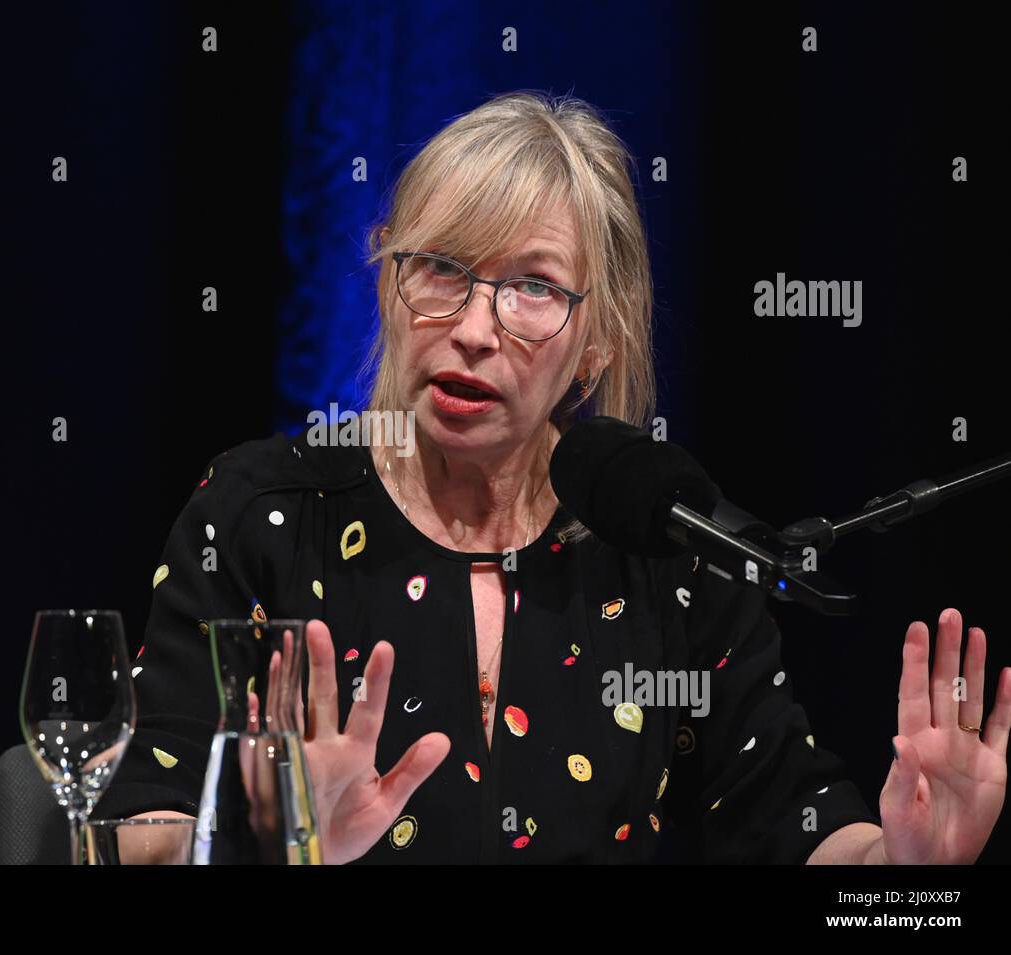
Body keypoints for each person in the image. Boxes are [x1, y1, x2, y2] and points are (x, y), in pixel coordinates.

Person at [95, 91, 1010, 864]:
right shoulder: (261, 517)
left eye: (533, 286)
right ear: (387, 284)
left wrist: (908, 865)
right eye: (443, 270)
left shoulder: (665, 547)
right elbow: (134, 824)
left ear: (594, 341)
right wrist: (284, 840)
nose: (476, 327)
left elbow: (794, 819)